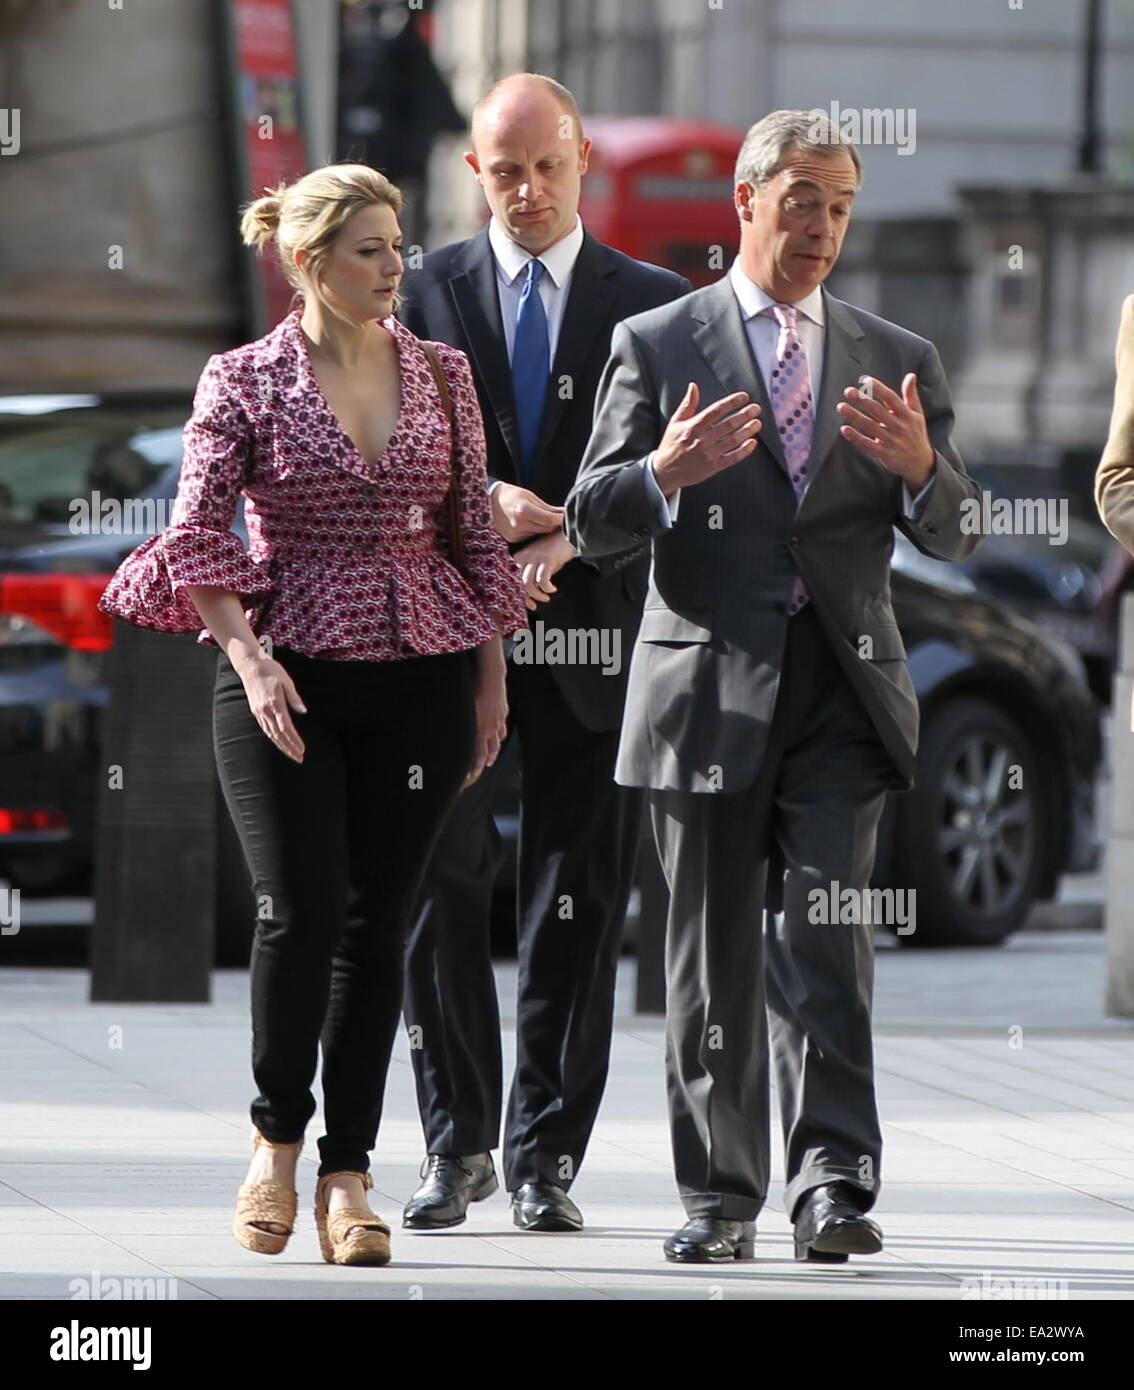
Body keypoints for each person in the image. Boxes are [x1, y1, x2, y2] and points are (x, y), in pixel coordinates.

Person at [564, 110, 982, 1263]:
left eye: (841, 206)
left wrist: (919, 469)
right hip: (701, 689)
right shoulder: (657, 342)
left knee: (825, 938)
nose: (823, 227)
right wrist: (661, 474)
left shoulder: (899, 352)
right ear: (745, 201)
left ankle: (834, 1181)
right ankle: (719, 1194)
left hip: (842, 687)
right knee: (710, 953)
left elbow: (958, 529)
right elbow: (588, 523)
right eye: (803, 200)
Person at [97, 163, 529, 1267]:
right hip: (284, 670)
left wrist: (492, 677)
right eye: (370, 251)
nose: (395, 269)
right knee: (297, 910)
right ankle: (274, 1145)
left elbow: (473, 542)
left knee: (380, 923)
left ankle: (350, 1172)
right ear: (309, 262)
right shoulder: (241, 378)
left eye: (398, 247)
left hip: (425, 670)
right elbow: (196, 541)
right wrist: (246, 660)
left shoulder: (441, 373)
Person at [397, 73, 692, 1234]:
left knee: (576, 891)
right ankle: (453, 1143)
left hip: (598, 638)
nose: (526, 190)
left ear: (580, 163)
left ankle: (543, 1158)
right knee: (438, 883)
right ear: (475, 171)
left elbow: (676, 481)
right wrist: (483, 497)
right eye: (503, 170)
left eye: (546, 166)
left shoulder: (655, 304)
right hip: (444, 631)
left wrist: (568, 526)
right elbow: (388, 461)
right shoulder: (417, 291)